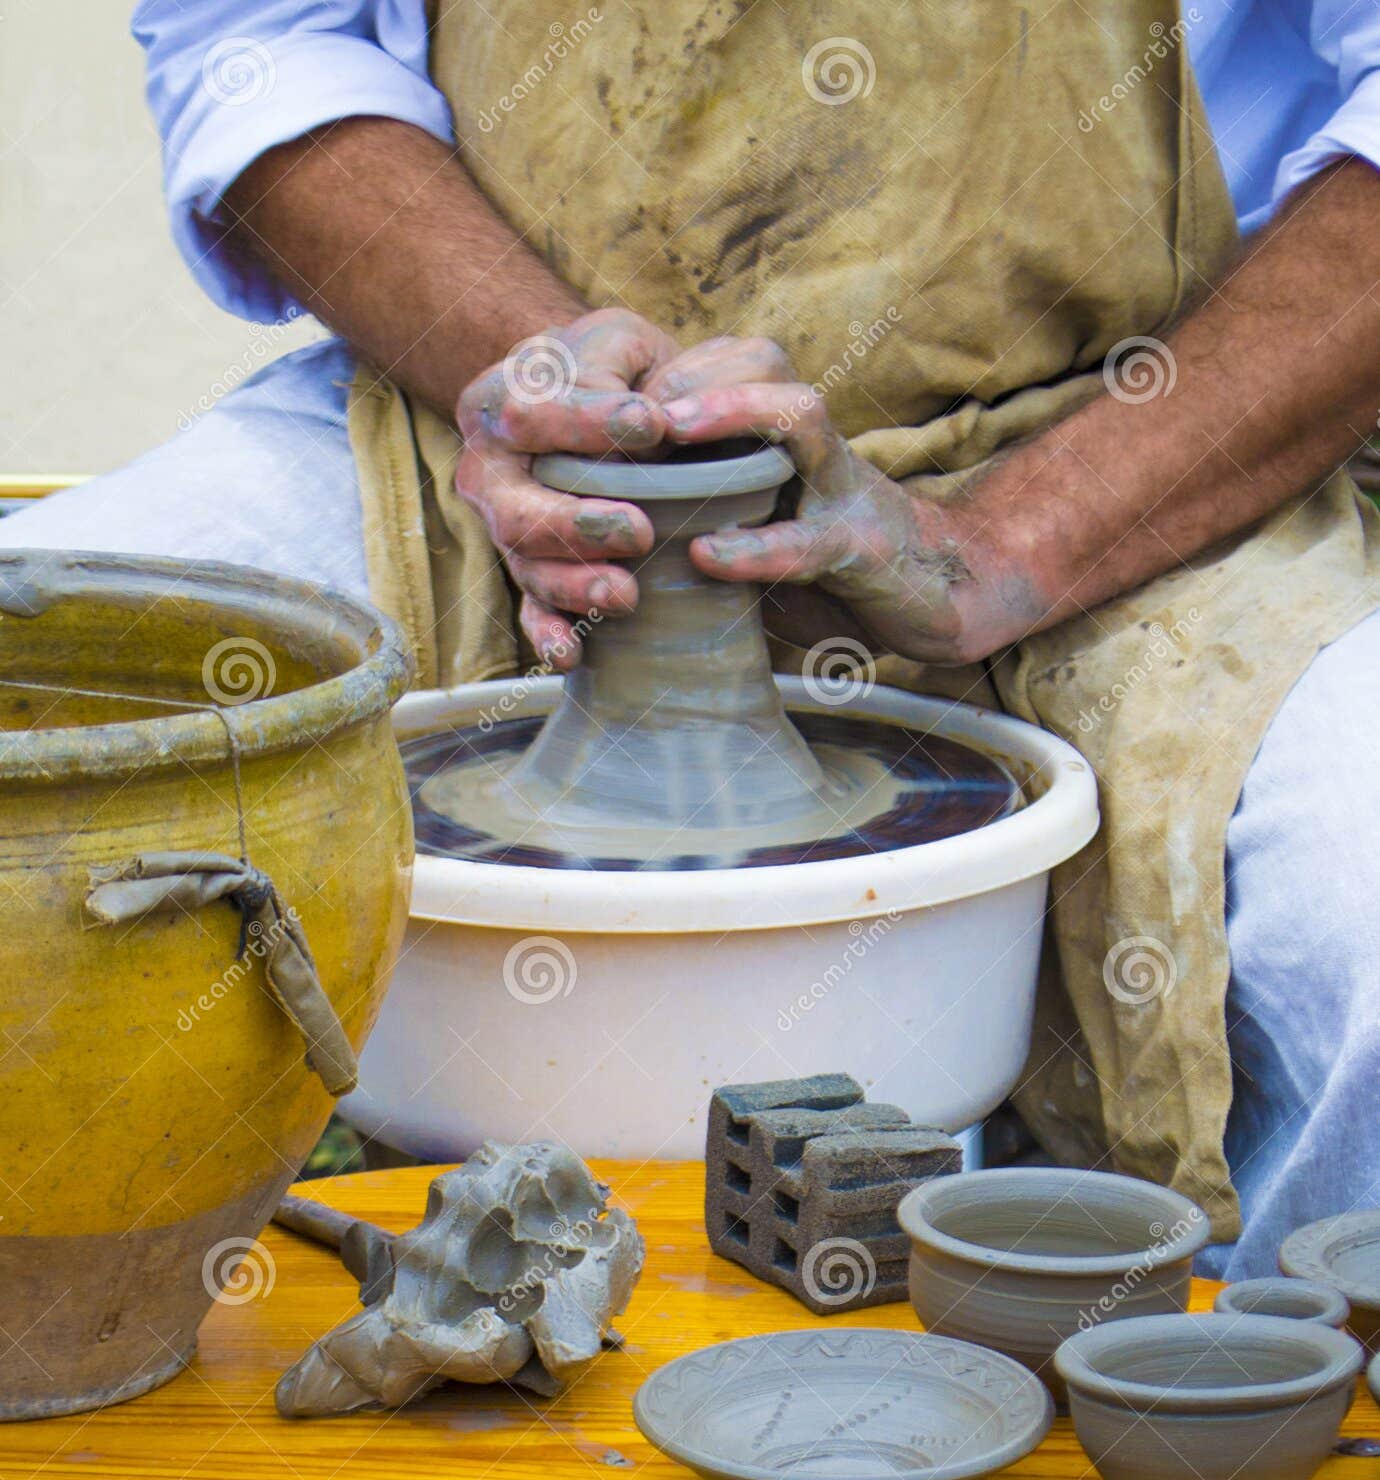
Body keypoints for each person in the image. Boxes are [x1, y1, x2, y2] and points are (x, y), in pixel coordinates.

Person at [9, 2, 1380, 1278]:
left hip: (1148, 430)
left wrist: (1015, 543)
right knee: (44, 749)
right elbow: (262, 45)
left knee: (1358, 918)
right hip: (491, 409)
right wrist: (556, 394)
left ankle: (1256, 1451)